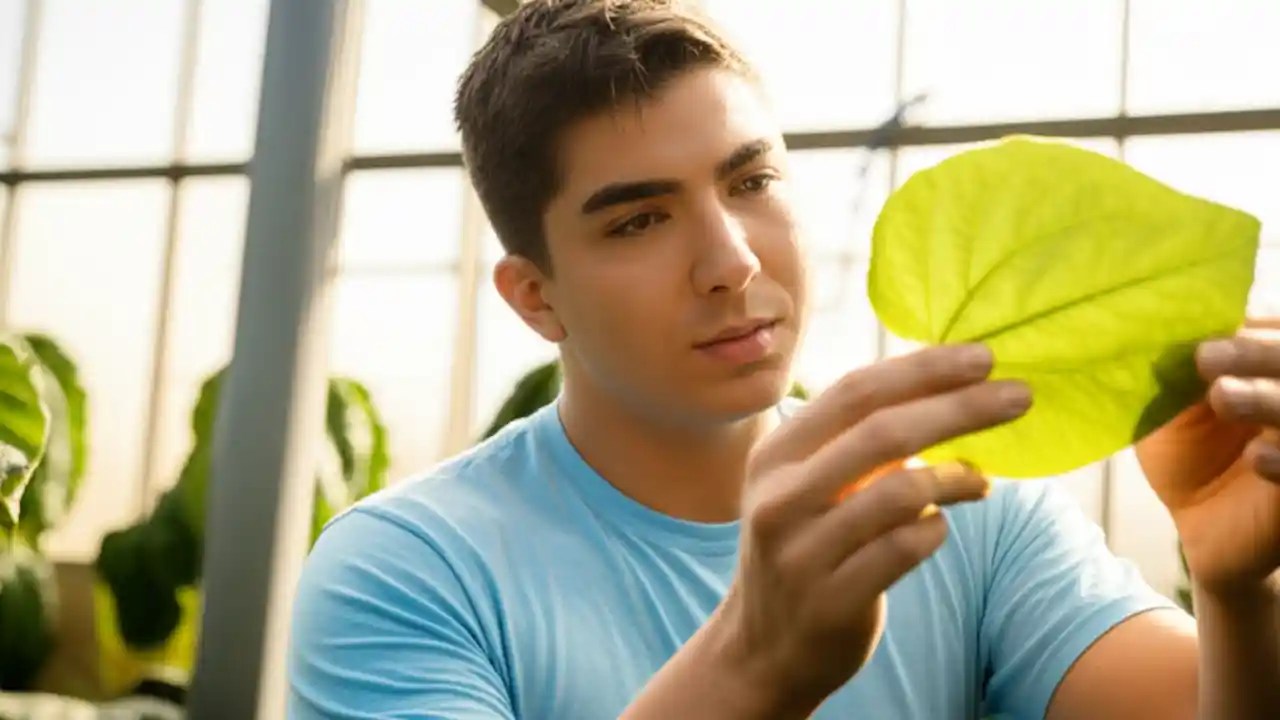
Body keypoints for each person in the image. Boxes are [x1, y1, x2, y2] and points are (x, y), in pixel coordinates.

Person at [286, 1, 1280, 718]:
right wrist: (753, 667)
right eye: (637, 220)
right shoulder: (408, 570)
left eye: (750, 178)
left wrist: (1235, 591)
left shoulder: (960, 507)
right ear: (535, 296)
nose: (731, 260)